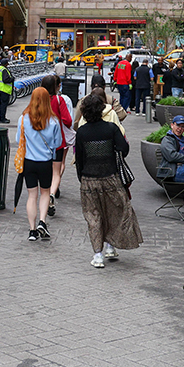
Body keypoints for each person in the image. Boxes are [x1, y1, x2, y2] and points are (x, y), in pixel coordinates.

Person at [73, 92, 143, 268]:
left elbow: (79, 158)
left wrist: (82, 178)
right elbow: (124, 148)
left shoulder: (81, 132)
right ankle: (111, 246)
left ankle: (98, 254)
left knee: (94, 217)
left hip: (89, 179)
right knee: (115, 212)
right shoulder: (111, 128)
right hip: (111, 177)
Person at [18, 87, 62, 241]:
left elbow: (19, 139)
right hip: (45, 162)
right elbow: (58, 143)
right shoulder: (54, 120)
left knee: (31, 196)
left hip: (29, 162)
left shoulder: (23, 118)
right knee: (45, 193)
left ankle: (32, 230)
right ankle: (42, 222)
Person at [41, 74, 73, 217]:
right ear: (56, 86)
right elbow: (68, 121)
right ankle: (52, 193)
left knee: (45, 170)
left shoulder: (39, 100)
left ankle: (45, 195)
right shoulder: (59, 100)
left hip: (41, 141)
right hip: (57, 141)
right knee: (56, 171)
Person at [0, 57, 14, 124]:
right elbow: (5, 80)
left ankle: (2, 117)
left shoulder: (0, 68)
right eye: (7, 63)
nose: (8, 64)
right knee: (3, 105)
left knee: (2, 104)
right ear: (5, 64)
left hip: (0, 88)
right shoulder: (4, 70)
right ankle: (2, 118)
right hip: (4, 89)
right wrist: (12, 79)